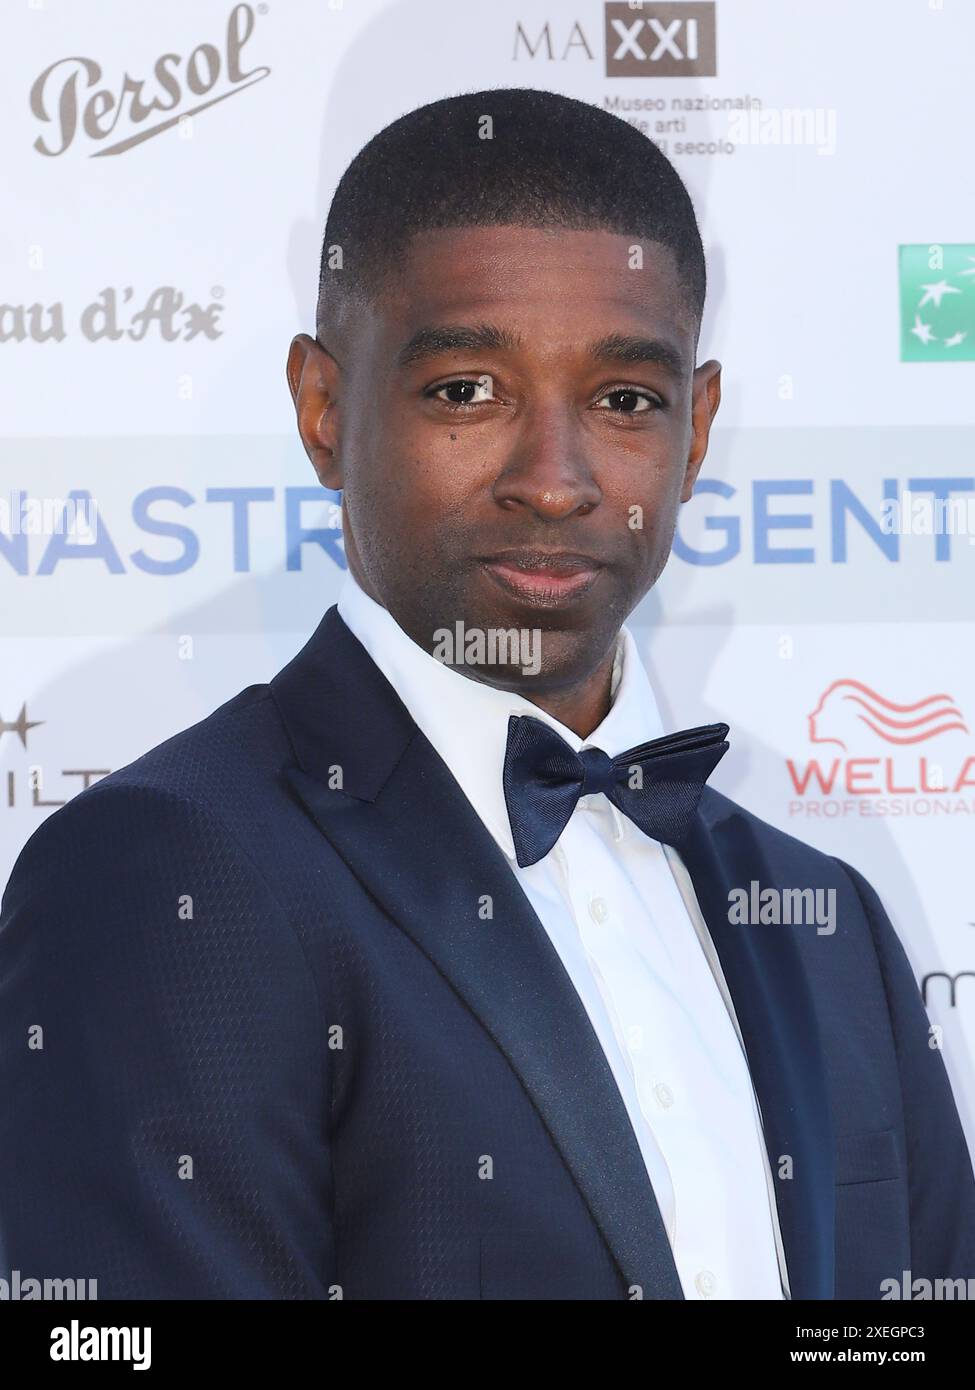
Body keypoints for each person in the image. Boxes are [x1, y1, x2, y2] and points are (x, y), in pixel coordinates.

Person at [1, 87, 973, 1302]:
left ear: (698, 426)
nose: (557, 482)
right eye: (467, 390)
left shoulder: (827, 921)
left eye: (624, 400)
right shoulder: (167, 873)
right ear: (320, 409)